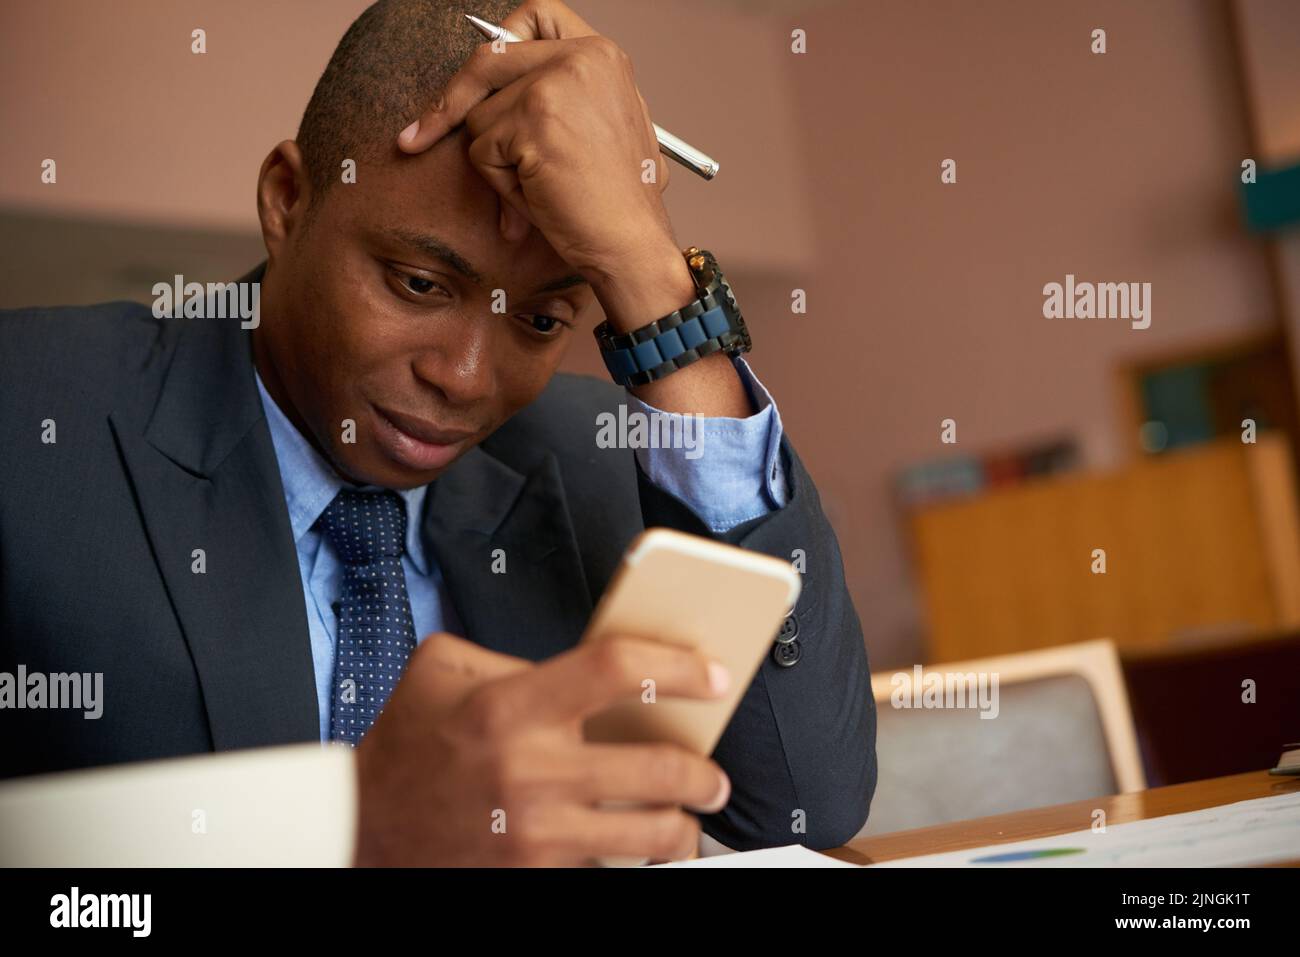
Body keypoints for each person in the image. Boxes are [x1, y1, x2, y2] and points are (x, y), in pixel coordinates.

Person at [0, 0, 875, 866]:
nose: (462, 376)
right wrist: (346, 829)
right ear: (287, 199)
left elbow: (808, 799)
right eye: (418, 284)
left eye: (540, 321)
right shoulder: (32, 417)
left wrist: (646, 267)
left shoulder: (600, 460)